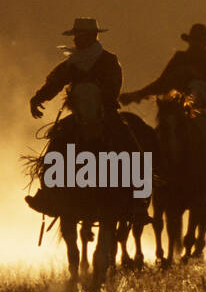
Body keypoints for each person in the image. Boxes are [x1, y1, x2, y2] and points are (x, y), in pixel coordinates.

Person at [120, 23, 206, 212]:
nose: (196, 44)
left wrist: (198, 78)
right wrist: (137, 95)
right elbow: (162, 83)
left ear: (205, 43)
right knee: (154, 143)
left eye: (199, 41)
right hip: (177, 112)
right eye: (194, 41)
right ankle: (142, 192)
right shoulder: (180, 59)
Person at [25, 17, 142, 217]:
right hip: (79, 115)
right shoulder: (71, 63)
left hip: (106, 114)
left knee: (131, 148)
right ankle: (49, 193)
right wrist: (38, 98)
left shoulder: (108, 60)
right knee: (55, 147)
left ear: (93, 36)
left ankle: (138, 200)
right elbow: (55, 83)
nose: (77, 40)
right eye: (76, 36)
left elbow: (114, 87)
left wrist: (97, 95)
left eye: (81, 35)